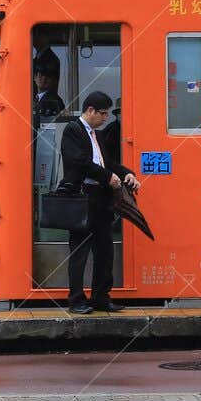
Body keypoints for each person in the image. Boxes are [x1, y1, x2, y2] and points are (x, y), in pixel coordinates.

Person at [59, 91, 139, 314]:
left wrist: (126, 174)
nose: (106, 118)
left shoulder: (97, 134)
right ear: (90, 110)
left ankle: (101, 297)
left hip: (101, 198)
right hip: (82, 197)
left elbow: (108, 162)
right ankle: (76, 300)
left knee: (105, 250)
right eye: (103, 114)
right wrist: (107, 176)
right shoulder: (73, 130)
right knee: (80, 251)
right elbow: (79, 161)